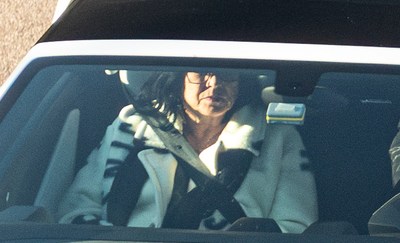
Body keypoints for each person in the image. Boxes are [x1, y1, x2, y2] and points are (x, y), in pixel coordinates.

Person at [55, 69, 319, 233]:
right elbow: (73, 212)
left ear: (242, 81)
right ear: (178, 77)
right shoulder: (130, 126)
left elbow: (297, 231)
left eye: (228, 73)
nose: (214, 83)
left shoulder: (278, 139)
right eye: (201, 72)